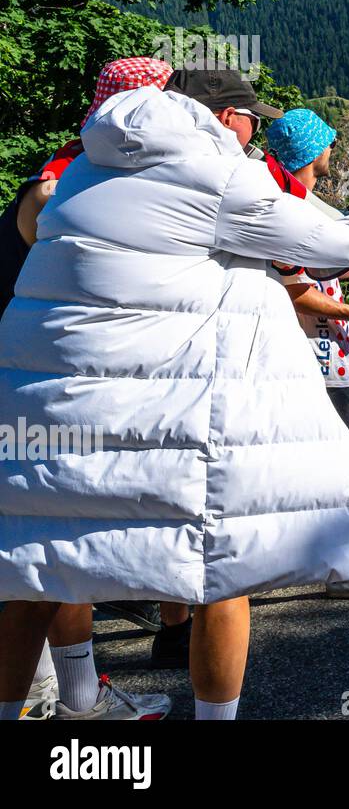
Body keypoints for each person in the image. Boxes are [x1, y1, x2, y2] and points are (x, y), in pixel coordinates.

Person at [0, 69, 349, 722]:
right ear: (223, 118)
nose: (256, 133)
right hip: (160, 413)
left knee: (36, 577)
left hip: (44, 414)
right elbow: (338, 246)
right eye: (252, 118)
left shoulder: (80, 172)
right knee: (221, 572)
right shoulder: (217, 171)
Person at [1, 57, 184, 718]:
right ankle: (59, 699)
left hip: (44, 390)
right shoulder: (62, 188)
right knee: (50, 553)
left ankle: (68, 694)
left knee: (55, 552)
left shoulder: (81, 174)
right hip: (39, 394)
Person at [263, 109, 349, 601]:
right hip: (316, 355)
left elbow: (311, 267)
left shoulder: (299, 203)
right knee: (342, 458)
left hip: (333, 354)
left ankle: (320, 554)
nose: (332, 151)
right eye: (325, 143)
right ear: (310, 152)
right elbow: (295, 289)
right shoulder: (287, 205)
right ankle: (342, 566)